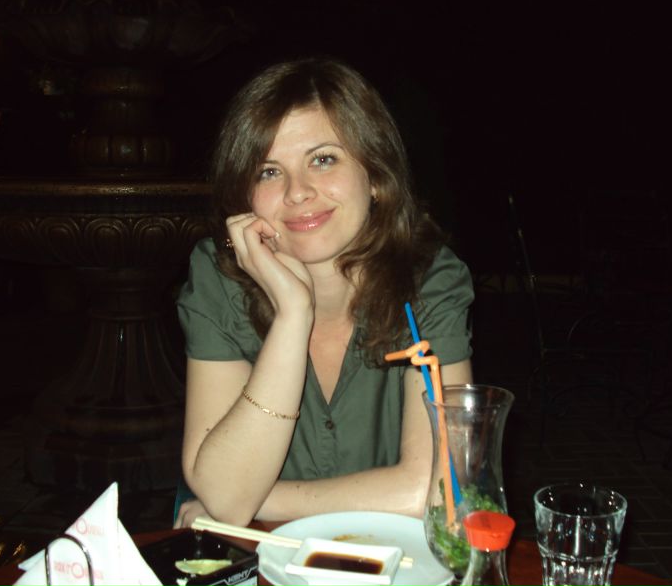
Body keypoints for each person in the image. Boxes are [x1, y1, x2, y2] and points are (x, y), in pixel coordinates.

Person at [174, 57, 473, 528]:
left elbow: (437, 492)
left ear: (375, 177)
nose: (297, 192)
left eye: (323, 159)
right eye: (268, 171)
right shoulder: (219, 277)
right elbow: (224, 492)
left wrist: (256, 502)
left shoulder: (430, 282)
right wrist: (293, 314)